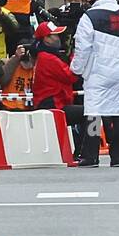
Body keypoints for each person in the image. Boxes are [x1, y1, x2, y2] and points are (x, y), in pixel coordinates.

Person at [71, 0, 119, 167]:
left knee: (94, 113)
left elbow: (82, 48)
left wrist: (77, 69)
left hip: (97, 73)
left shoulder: (89, 16)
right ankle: (117, 158)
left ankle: (91, 155)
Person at [30, 20, 90, 158]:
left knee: (86, 112)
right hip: (52, 105)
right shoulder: (48, 58)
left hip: (51, 103)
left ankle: (81, 152)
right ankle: (83, 153)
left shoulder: (44, 56)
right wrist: (77, 57)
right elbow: (71, 77)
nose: (58, 38)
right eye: (54, 35)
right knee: (91, 113)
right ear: (46, 39)